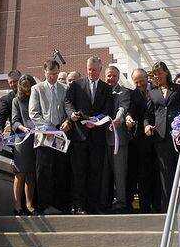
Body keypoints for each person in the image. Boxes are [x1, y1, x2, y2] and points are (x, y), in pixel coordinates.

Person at [65, 56, 112, 214]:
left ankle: (94, 205)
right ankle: (79, 205)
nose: (91, 72)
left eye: (94, 69)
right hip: (79, 135)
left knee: (96, 171)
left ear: (100, 69)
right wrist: (72, 115)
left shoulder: (106, 88)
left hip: (98, 136)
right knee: (79, 171)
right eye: (89, 69)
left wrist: (97, 120)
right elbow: (68, 102)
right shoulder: (76, 85)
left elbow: (108, 109)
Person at [144, 61, 180, 212]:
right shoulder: (152, 92)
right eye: (155, 73)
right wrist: (146, 125)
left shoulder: (178, 88)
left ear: (166, 73)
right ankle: (168, 206)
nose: (157, 76)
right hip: (160, 136)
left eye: (160, 73)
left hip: (177, 135)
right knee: (165, 172)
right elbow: (148, 114)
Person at [29, 59, 71, 214]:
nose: (53, 77)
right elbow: (33, 112)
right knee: (43, 170)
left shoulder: (65, 88)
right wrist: (48, 128)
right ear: (44, 72)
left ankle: (59, 205)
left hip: (60, 135)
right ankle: (42, 205)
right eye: (50, 74)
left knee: (60, 169)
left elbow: (68, 109)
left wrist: (67, 122)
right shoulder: (37, 88)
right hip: (44, 135)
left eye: (55, 74)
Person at [126, 68, 157, 213]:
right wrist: (129, 118)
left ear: (147, 78)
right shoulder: (133, 94)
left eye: (141, 81)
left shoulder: (156, 90)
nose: (139, 84)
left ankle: (159, 204)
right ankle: (145, 206)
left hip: (157, 138)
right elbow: (130, 110)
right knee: (143, 174)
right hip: (140, 140)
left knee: (156, 172)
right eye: (136, 82)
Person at [101, 65, 130, 213]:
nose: (110, 78)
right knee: (104, 174)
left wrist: (118, 119)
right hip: (101, 140)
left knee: (119, 173)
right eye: (108, 76)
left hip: (118, 139)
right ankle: (104, 203)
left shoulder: (123, 92)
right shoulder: (101, 90)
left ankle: (121, 203)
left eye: (113, 76)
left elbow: (122, 108)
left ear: (118, 77)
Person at [10, 74, 38, 215]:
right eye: (24, 86)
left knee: (31, 174)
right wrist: (22, 128)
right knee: (20, 173)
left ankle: (29, 204)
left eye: (29, 86)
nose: (26, 89)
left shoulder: (37, 98)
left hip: (36, 139)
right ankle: (17, 205)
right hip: (21, 139)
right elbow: (14, 121)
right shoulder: (16, 101)